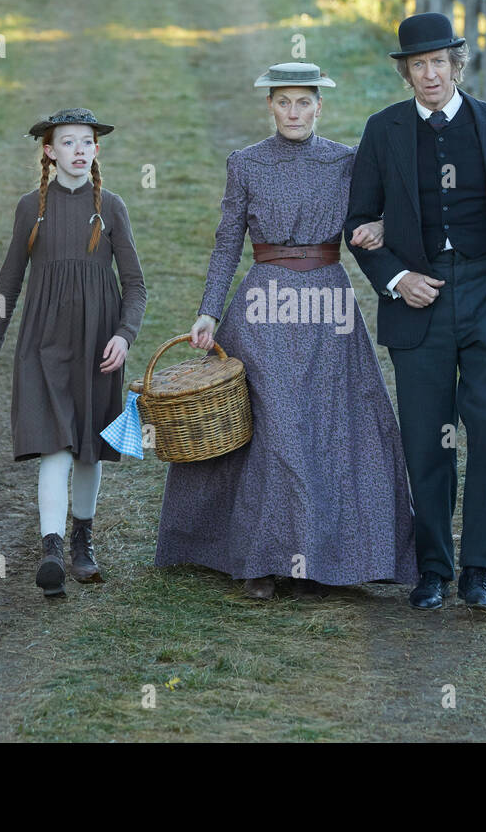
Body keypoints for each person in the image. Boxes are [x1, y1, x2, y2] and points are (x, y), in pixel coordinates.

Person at [155, 62, 417, 600]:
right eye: (284, 103)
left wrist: (383, 226)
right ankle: (261, 558)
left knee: (332, 425)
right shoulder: (246, 163)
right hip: (264, 306)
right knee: (271, 427)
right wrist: (208, 309)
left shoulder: (346, 161)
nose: (294, 112)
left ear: (320, 106)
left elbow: (389, 213)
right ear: (270, 106)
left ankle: (323, 558)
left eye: (305, 102)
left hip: (328, 305)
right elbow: (228, 239)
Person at [344, 13, 486, 613]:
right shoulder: (383, 131)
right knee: (427, 440)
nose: (428, 75)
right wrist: (398, 280)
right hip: (419, 303)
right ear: (406, 73)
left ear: (457, 66)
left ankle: (479, 569)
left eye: (438, 63)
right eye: (417, 65)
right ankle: (433, 568)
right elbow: (356, 224)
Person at [0, 108, 146, 597]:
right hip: (43, 343)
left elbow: (135, 285)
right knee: (55, 444)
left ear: (96, 151)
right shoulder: (32, 208)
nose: (78, 150)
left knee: (89, 448)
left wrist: (124, 335)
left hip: (98, 344)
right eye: (67, 142)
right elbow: (8, 282)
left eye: (86, 142)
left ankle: (82, 543)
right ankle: (50, 547)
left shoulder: (111, 207)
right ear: (49, 151)